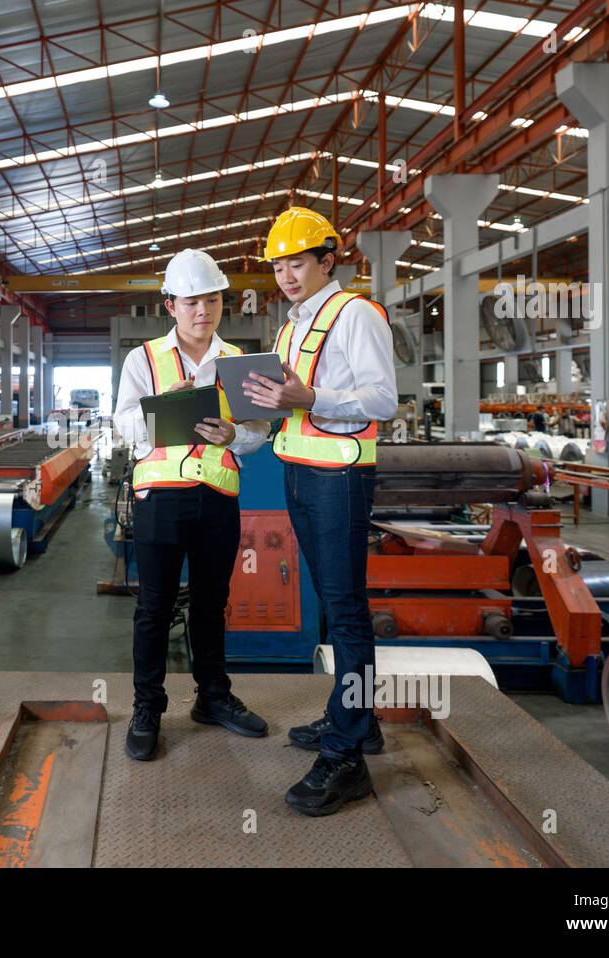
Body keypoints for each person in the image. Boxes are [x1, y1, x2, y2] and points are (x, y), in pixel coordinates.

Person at [240, 208, 398, 815]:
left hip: (340, 479)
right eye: (278, 266)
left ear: (328, 260)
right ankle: (359, 721)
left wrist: (308, 397)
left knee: (348, 613)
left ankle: (347, 757)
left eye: (297, 263)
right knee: (333, 607)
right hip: (297, 471)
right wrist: (248, 410)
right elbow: (286, 405)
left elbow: (383, 398)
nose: (286, 275)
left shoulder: (356, 313)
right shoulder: (289, 326)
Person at [112, 248, 270, 761]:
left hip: (219, 499)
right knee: (154, 607)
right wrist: (165, 410)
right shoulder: (145, 360)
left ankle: (213, 698)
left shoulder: (237, 364)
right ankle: (147, 707)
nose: (203, 310)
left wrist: (234, 434)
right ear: (171, 305)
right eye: (192, 301)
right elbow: (125, 427)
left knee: (210, 605)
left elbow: (258, 434)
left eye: (212, 300)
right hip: (160, 499)